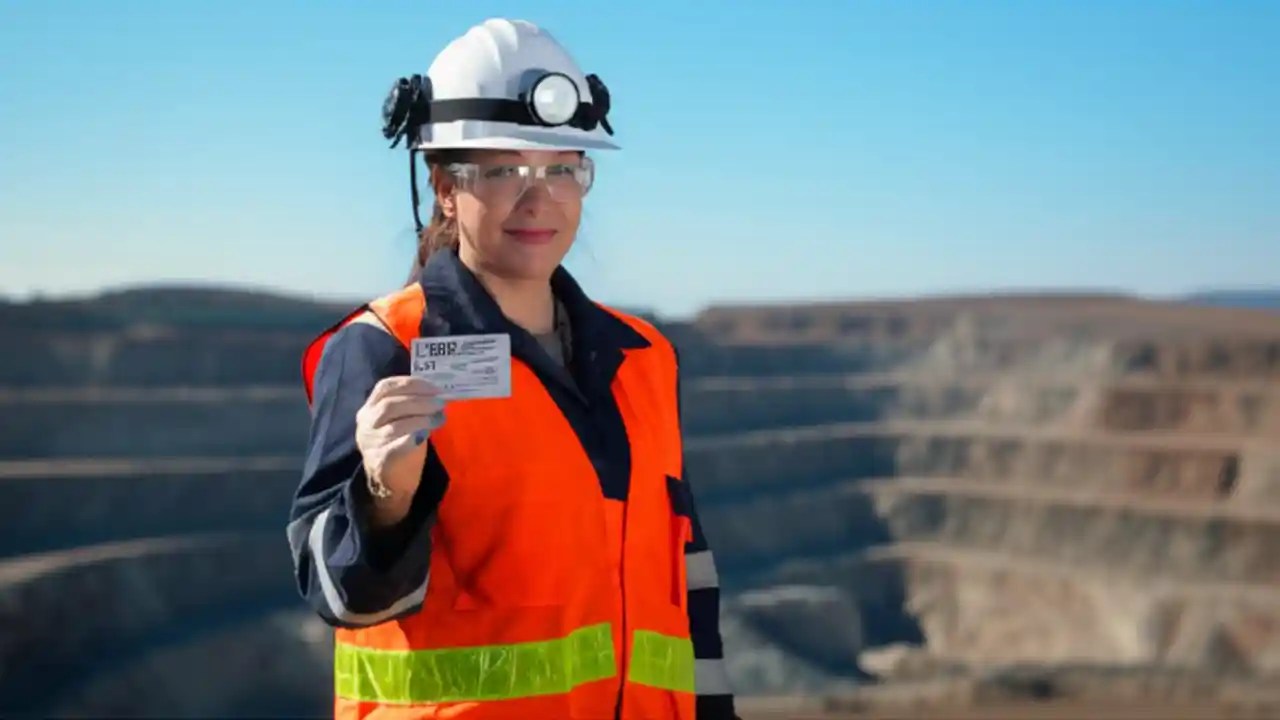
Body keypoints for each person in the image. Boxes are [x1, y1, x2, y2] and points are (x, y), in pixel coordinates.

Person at [286, 18, 739, 720]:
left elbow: (690, 585)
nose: (539, 199)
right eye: (504, 171)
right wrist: (382, 501)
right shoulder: (383, 348)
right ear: (443, 185)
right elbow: (336, 595)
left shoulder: (645, 361)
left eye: (562, 168)